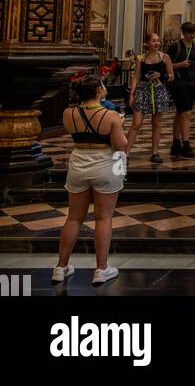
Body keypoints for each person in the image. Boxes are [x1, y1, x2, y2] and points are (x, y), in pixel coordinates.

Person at [53, 74, 128, 286]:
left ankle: (60, 267)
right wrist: (120, 125)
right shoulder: (111, 115)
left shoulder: (69, 113)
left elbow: (74, 133)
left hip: (78, 163)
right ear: (98, 91)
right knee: (103, 217)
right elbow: (120, 145)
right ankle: (101, 269)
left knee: (74, 217)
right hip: (104, 163)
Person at [126, 33, 175, 162]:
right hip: (142, 90)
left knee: (157, 123)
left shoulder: (165, 57)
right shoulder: (141, 58)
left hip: (158, 90)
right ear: (147, 43)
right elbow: (136, 77)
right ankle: (126, 153)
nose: (157, 43)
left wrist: (161, 75)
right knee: (136, 123)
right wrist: (131, 94)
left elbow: (171, 76)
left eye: (158, 41)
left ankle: (155, 153)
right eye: (153, 41)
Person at [167, 22, 195, 158]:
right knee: (186, 114)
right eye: (189, 33)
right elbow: (166, 66)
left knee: (180, 113)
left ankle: (175, 143)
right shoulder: (175, 47)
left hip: (190, 83)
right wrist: (180, 64)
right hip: (177, 82)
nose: (192, 35)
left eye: (193, 33)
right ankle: (186, 144)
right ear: (184, 33)